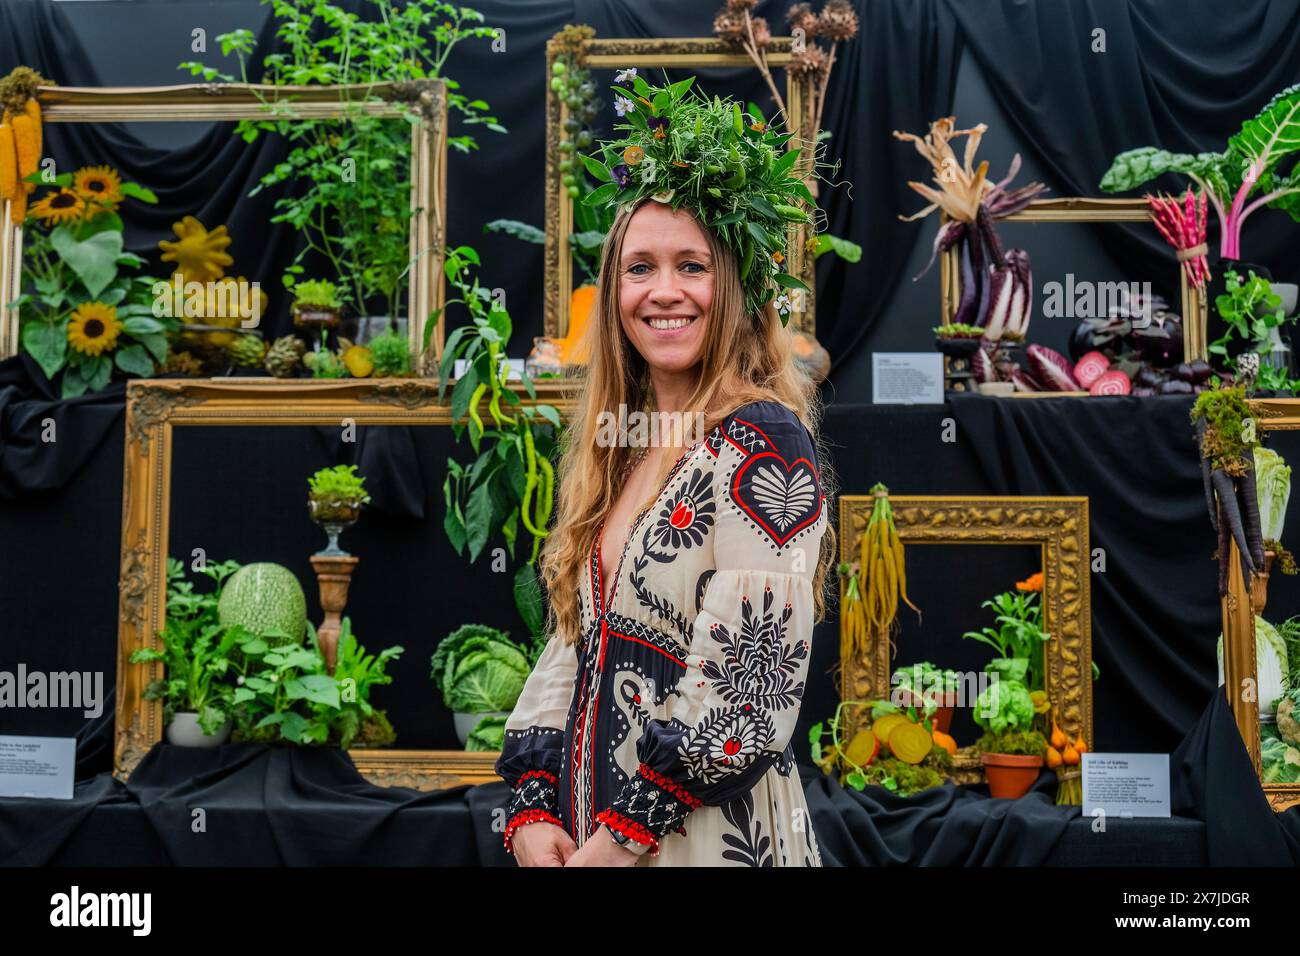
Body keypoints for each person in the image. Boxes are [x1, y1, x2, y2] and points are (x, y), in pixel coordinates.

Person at [494, 72, 839, 866]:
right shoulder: (624, 443)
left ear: (739, 286)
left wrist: (623, 837)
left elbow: (753, 683)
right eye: (639, 267)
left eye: (692, 265)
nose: (664, 292)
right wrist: (534, 805)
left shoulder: (763, 445)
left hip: (701, 843)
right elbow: (572, 646)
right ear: (613, 288)